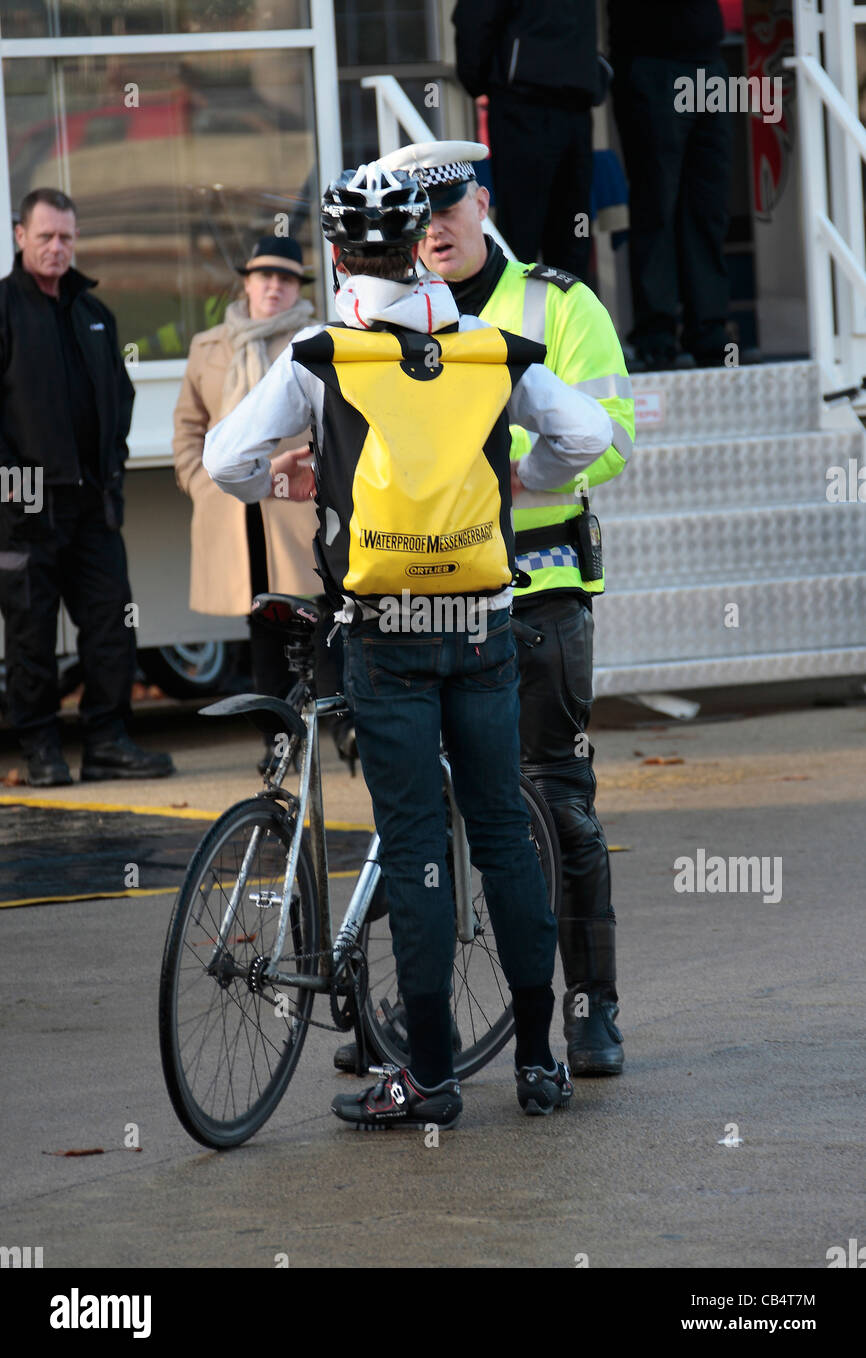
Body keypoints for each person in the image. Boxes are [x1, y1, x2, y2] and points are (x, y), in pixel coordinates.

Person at [203, 163, 615, 1129]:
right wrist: (521, 474)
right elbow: (588, 433)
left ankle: (429, 1076)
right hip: (482, 627)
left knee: (421, 852)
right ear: (417, 241)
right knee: (506, 841)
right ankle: (541, 1062)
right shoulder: (490, 347)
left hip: (385, 636)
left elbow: (226, 460)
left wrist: (292, 484)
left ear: (341, 255)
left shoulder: (323, 354)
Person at [330, 139, 634, 1081]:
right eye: (417, 219)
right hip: (441, 607)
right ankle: (423, 1021)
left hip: (537, 596)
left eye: (449, 209)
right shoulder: (402, 316)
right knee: (428, 823)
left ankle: (591, 1010)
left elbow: (610, 437)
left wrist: (505, 484)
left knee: (553, 805)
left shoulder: (554, 303)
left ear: (482, 204)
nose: (434, 230)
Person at [0, 188, 173, 786]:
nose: (57, 247)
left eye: (67, 237)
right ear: (20, 235)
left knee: (112, 626)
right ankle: (41, 749)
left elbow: (119, 398)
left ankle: (107, 741)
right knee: (32, 636)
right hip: (26, 509)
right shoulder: (3, 309)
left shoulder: (92, 310)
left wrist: (112, 474)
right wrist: (18, 495)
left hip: (93, 505)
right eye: (45, 236)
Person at [173, 236, 321, 769]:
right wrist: (200, 484)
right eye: (265, 278)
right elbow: (188, 427)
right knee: (263, 625)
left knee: (320, 621)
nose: (275, 287)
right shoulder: (210, 346)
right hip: (236, 516)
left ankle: (343, 728)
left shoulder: (314, 341)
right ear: (247, 282)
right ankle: (277, 743)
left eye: (286, 279)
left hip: (297, 510)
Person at [603, 0, 757, 369]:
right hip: (651, 65)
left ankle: (708, 328)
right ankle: (656, 332)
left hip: (709, 62)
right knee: (657, 203)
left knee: (709, 204)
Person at [452, 0, 599, 282]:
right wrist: (489, 79)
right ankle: (512, 331)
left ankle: (571, 330)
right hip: (524, 106)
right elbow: (476, 15)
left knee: (574, 240)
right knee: (521, 239)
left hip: (575, 106)